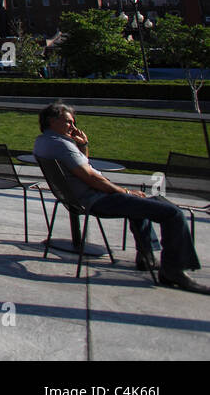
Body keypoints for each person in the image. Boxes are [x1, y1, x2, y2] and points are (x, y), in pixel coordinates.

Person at [33, 101, 206, 293]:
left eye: (73, 122)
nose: (73, 127)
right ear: (52, 121)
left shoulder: (43, 141)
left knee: (147, 203)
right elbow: (91, 178)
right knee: (173, 213)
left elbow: (84, 167)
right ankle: (173, 270)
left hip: (78, 198)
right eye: (68, 122)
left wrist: (83, 146)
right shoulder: (62, 146)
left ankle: (146, 255)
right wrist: (126, 192)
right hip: (97, 200)